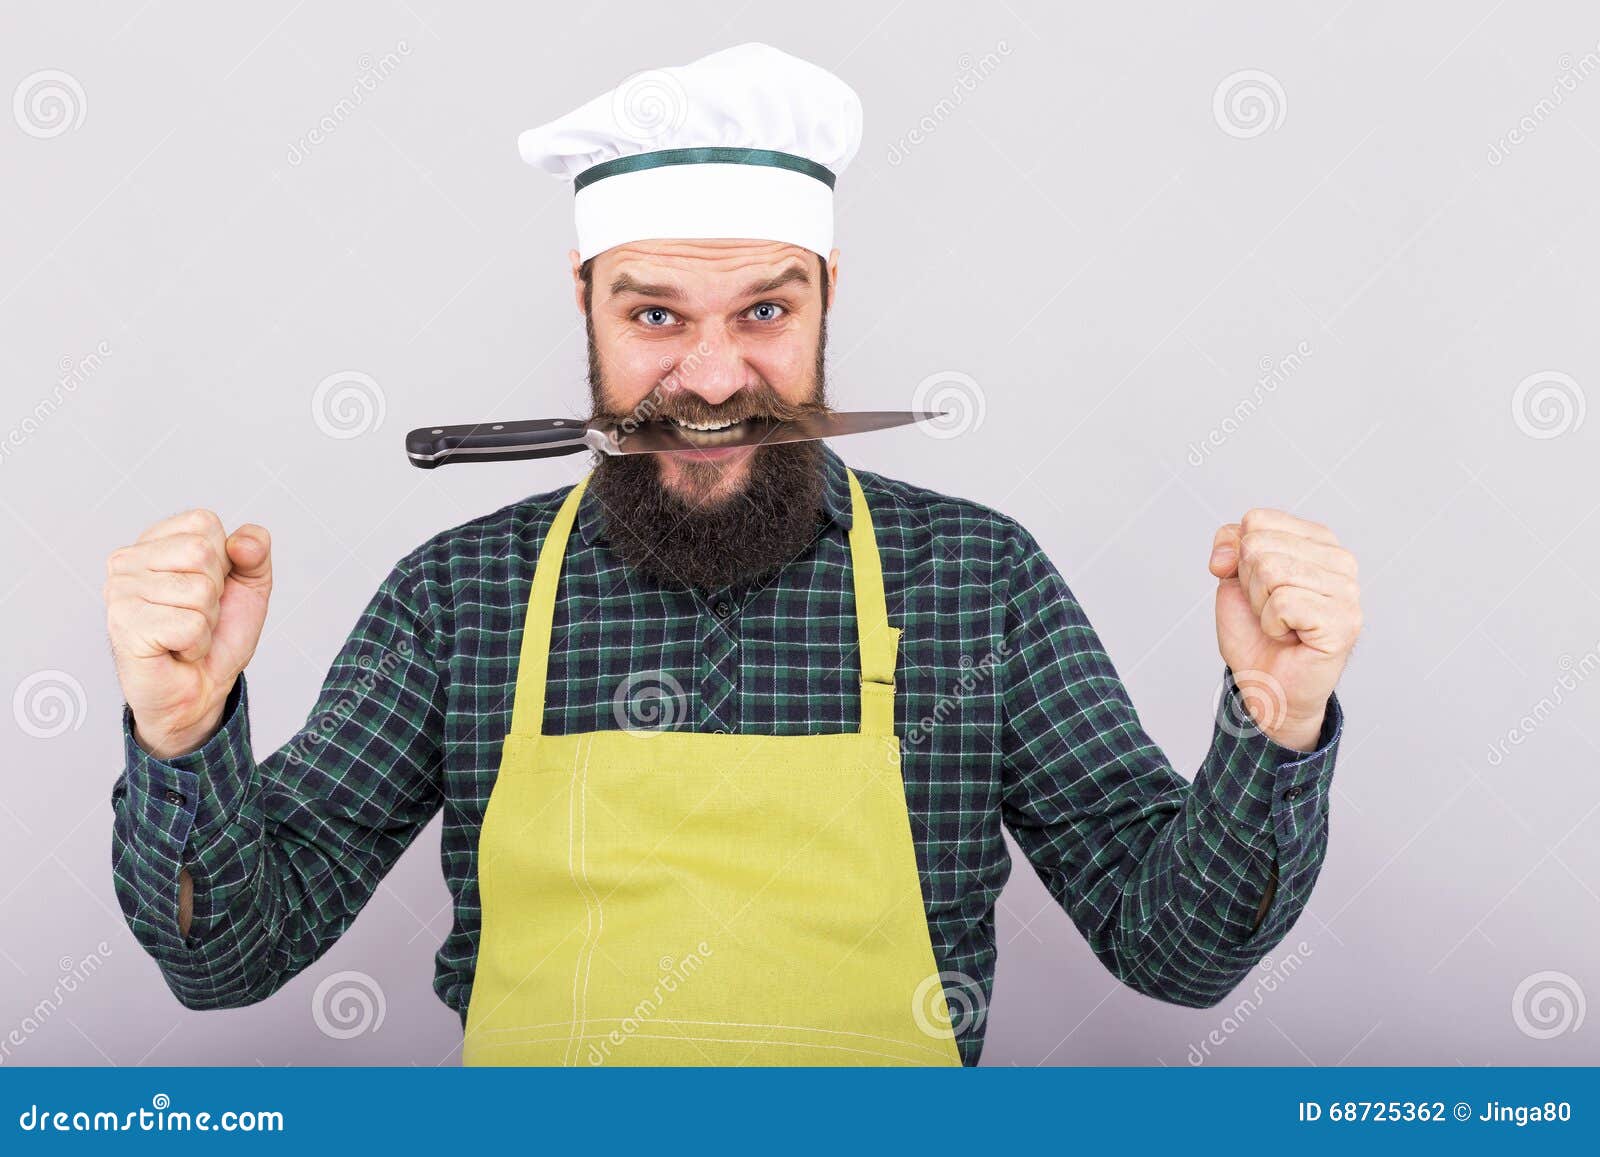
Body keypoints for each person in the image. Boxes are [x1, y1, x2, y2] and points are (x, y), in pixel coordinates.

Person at [106, 42, 1361, 1066]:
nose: (710, 377)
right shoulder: (461, 593)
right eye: (655, 313)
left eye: (764, 309)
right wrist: (180, 736)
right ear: (584, 301)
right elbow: (228, 961)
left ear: (827, 295)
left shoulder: (975, 579)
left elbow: (1175, 953)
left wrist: (1276, 725)